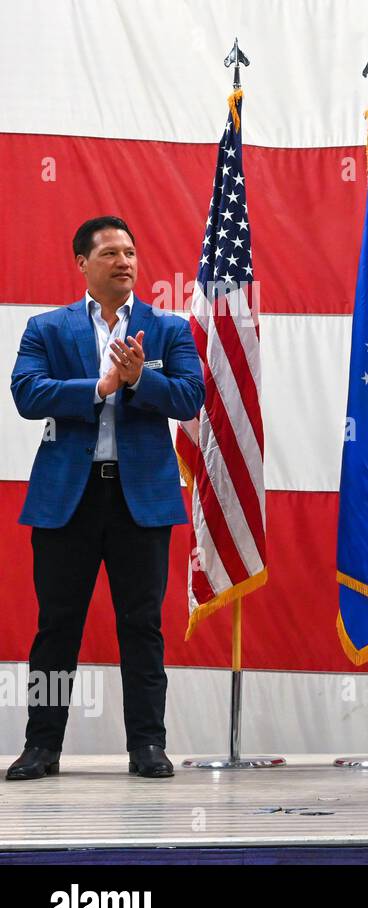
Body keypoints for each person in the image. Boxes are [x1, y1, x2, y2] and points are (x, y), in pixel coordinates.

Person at [7, 216, 204, 781]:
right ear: (82, 264)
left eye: (131, 253)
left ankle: (147, 746)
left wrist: (142, 380)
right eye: (111, 253)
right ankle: (41, 747)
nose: (125, 262)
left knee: (141, 624)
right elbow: (27, 393)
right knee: (57, 625)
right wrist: (102, 387)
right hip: (68, 498)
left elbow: (190, 397)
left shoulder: (167, 330)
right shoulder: (47, 328)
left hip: (139, 497)